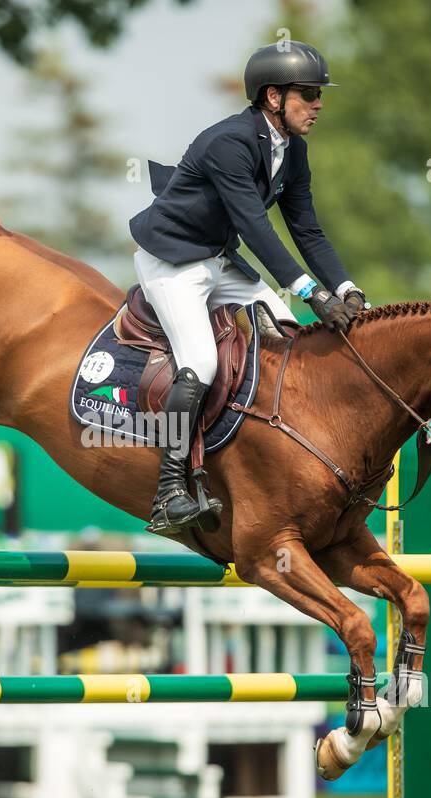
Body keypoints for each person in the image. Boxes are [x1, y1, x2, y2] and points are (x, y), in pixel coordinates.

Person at [130, 41, 369, 535]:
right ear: (272, 97)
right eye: (309, 93)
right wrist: (312, 293)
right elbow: (256, 227)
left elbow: (307, 230)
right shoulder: (229, 142)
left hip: (219, 261)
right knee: (200, 361)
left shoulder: (293, 151)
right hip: (171, 261)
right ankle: (169, 489)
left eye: (319, 94)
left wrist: (346, 289)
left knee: (286, 334)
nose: (319, 104)